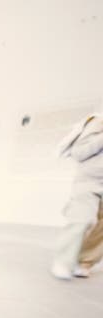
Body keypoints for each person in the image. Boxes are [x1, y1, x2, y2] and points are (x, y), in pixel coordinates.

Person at [51, 113, 103, 280]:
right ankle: (63, 262)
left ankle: (84, 262)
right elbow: (79, 152)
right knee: (82, 219)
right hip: (90, 181)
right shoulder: (97, 122)